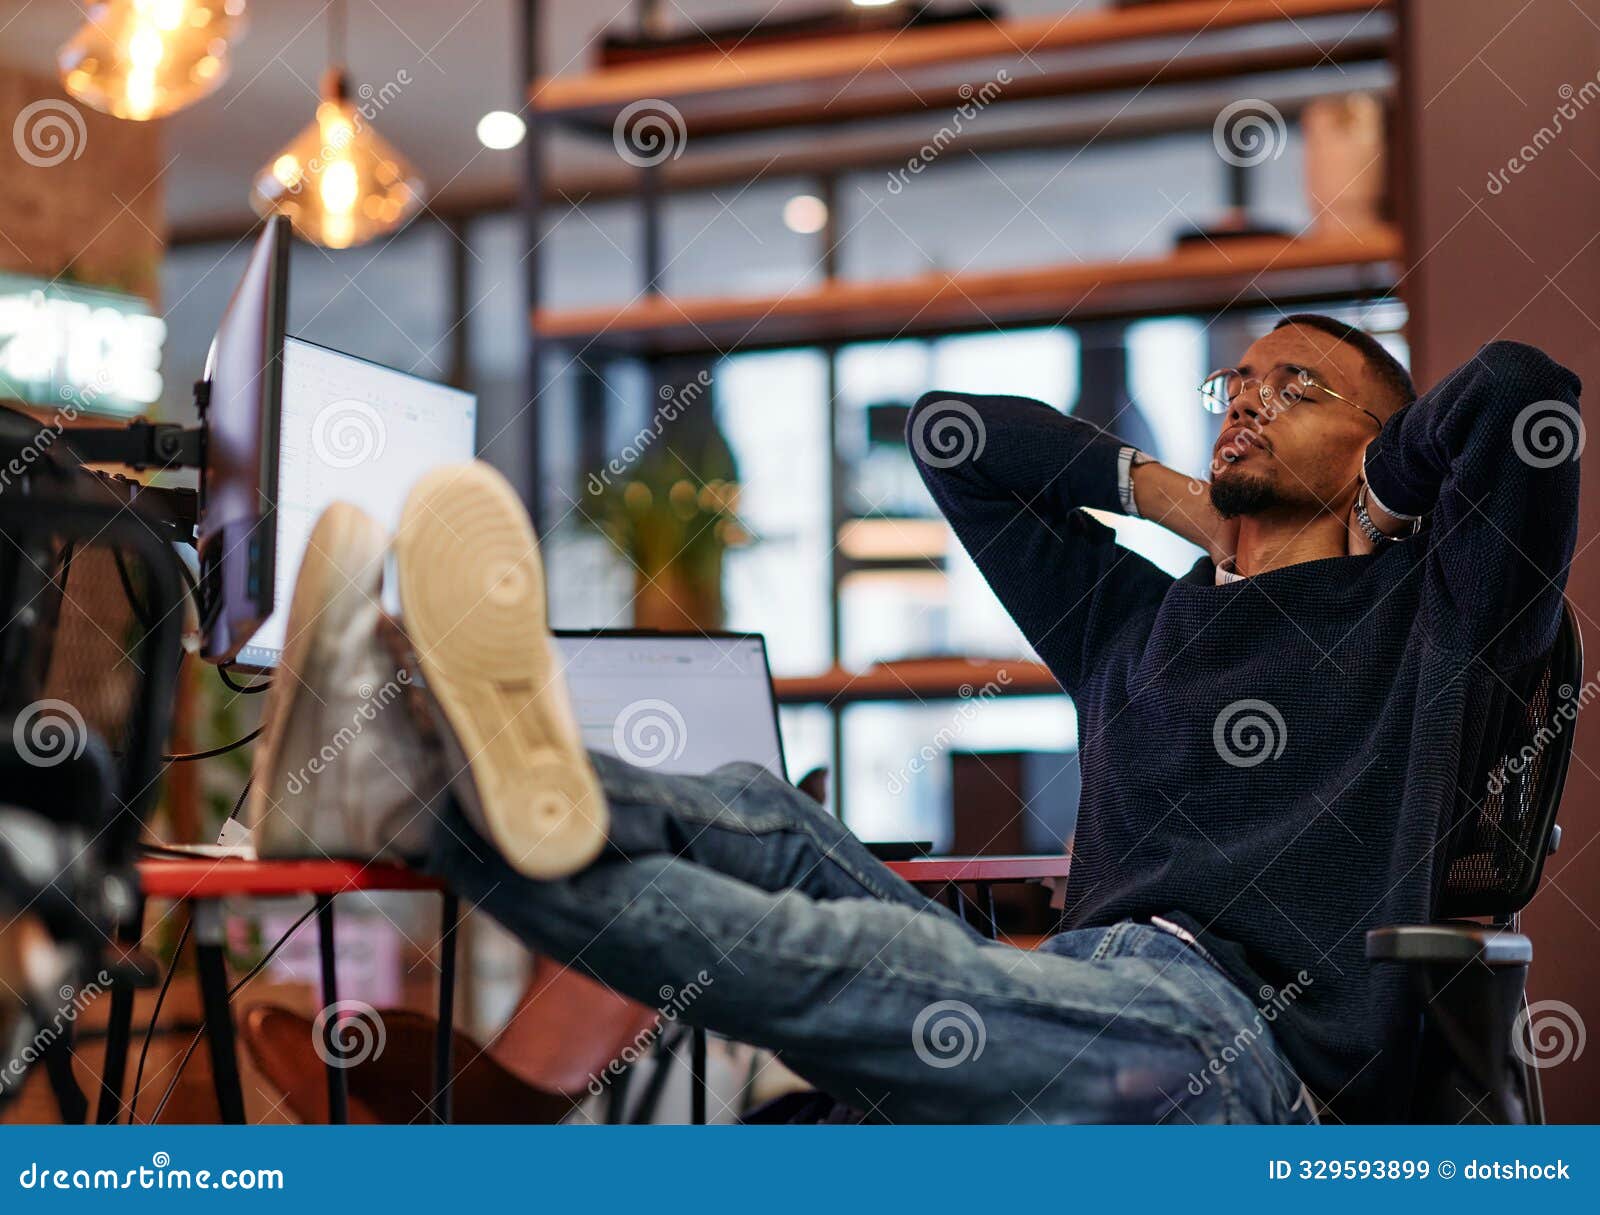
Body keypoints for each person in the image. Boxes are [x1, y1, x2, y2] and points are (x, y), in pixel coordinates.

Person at [249, 316, 1580, 1124]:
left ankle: (417, 795)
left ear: (1377, 447)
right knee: (768, 818)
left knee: (843, 960)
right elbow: (954, 437)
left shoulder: (1435, 616)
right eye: (1238, 379)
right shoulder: (1137, 621)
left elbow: (1524, 393)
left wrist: (1386, 513)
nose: (1246, 399)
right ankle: (411, 776)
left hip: (1233, 1052)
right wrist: (1191, 507)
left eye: (1298, 388)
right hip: (1084, 979)